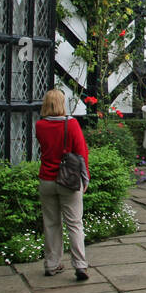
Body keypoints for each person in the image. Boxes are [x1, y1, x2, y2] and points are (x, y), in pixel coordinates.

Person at [35, 89, 90, 281]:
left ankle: (52, 264)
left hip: (47, 179)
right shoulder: (71, 124)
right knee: (74, 223)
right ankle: (80, 265)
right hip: (69, 179)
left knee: (51, 224)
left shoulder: (40, 125)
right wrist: (85, 178)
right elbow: (82, 152)